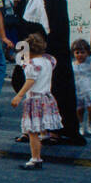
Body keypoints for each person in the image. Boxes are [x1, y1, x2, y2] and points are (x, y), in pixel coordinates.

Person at [18, 0, 84, 145]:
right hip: (33, 54)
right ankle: (36, 130)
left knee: (55, 93)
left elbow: (58, 30)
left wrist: (45, 56)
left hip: (51, 56)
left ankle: (58, 131)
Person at [10, 33, 61, 170]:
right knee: (42, 124)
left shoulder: (32, 65)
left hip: (35, 98)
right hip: (46, 97)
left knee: (32, 131)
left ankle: (35, 158)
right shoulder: (48, 61)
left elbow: (30, 81)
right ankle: (45, 136)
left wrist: (19, 96)